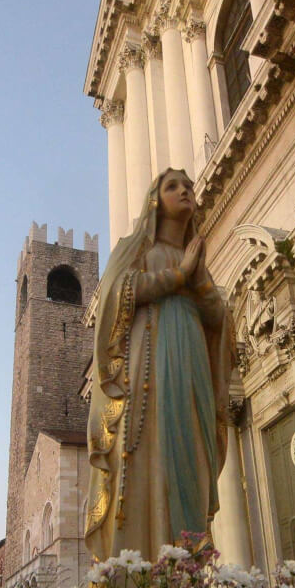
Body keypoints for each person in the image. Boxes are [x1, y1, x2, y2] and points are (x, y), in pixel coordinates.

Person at [85, 169, 233, 562]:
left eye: (189, 186)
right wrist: (178, 275)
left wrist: (199, 281)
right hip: (151, 366)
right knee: (153, 452)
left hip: (192, 365)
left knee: (192, 452)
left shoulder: (196, 259)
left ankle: (187, 558)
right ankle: (146, 563)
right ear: (155, 200)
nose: (185, 190)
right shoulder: (136, 250)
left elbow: (217, 317)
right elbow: (119, 293)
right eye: (173, 186)